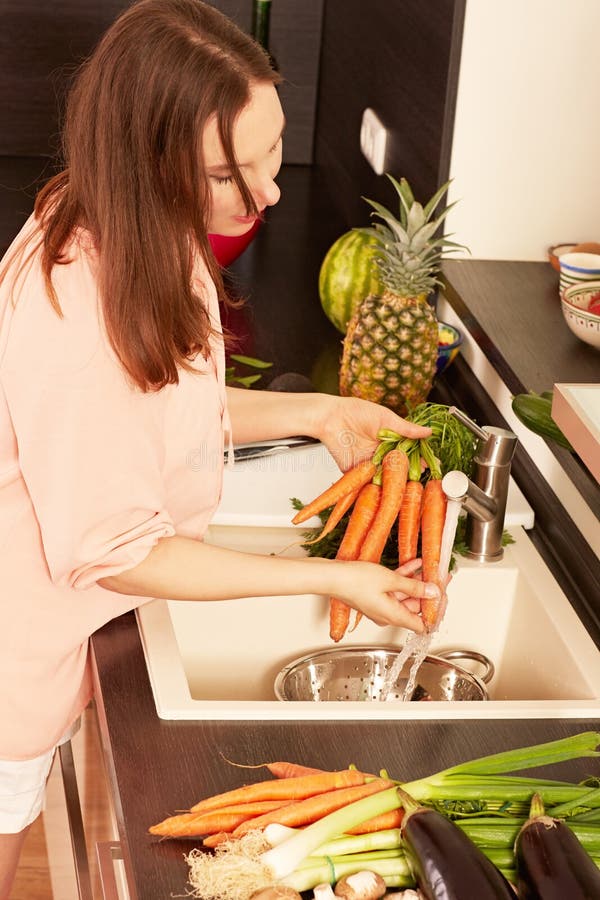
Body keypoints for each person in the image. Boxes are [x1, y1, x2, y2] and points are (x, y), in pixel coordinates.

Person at [0, 0, 441, 892]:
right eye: (230, 173)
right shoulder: (80, 306)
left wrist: (319, 413)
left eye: (272, 149)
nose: (267, 191)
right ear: (150, 159)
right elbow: (119, 551)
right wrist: (332, 577)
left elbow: (159, 404)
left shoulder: (137, 226)